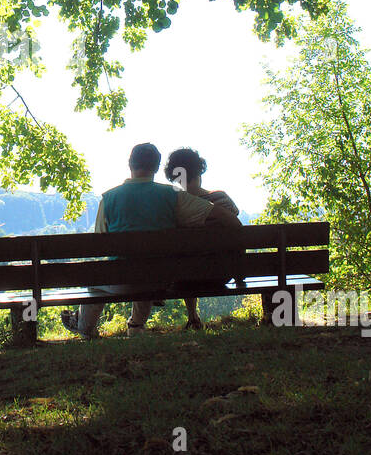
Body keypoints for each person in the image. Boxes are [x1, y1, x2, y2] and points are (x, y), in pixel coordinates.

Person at [61, 141, 241, 341]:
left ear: (130, 164)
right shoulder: (173, 196)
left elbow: (100, 242)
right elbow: (227, 218)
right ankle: (136, 327)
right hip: (160, 281)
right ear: (156, 167)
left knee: (98, 281)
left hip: (123, 282)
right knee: (146, 270)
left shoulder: (108, 198)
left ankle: (85, 329)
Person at [165, 147, 240, 330]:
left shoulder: (173, 207)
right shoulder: (221, 198)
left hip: (183, 279)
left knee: (184, 260)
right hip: (221, 274)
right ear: (199, 171)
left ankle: (193, 316)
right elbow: (238, 230)